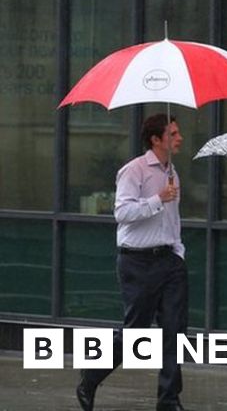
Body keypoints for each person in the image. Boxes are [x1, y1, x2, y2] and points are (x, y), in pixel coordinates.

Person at [77, 113, 189, 411]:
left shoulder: (172, 173)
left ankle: (168, 400)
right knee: (135, 332)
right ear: (156, 139)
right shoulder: (134, 171)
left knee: (175, 330)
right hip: (138, 263)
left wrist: (178, 251)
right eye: (173, 133)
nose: (179, 138)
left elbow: (173, 220)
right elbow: (122, 214)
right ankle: (90, 378)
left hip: (169, 261)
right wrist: (157, 199)